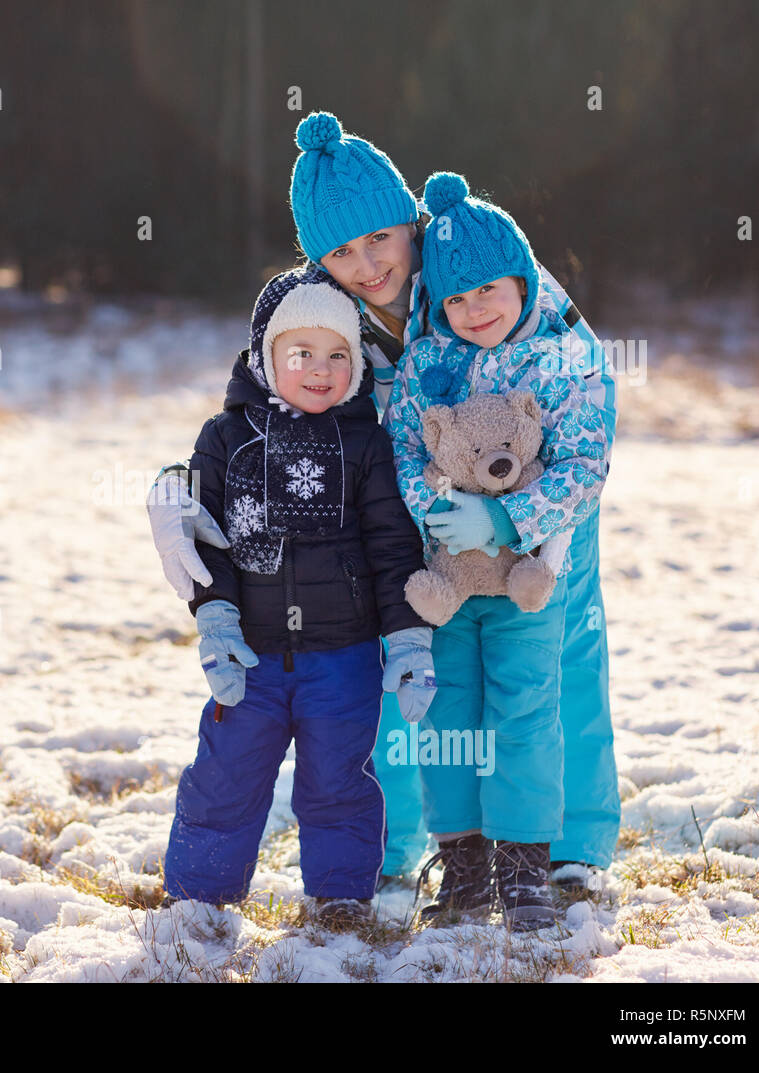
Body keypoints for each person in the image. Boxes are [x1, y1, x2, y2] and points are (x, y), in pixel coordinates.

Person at [148, 111, 619, 889]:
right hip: (409, 504)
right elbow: (256, 404)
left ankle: (571, 848)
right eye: (340, 250)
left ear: (409, 221)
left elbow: (580, 372)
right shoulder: (323, 311)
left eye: (380, 239)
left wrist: (535, 520)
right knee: (408, 664)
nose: (366, 265)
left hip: (540, 494)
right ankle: (406, 848)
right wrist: (177, 485)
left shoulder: (478, 256)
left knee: (554, 656)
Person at [161, 266, 436, 926]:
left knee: (339, 780)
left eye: (338, 354)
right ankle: (200, 896)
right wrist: (217, 620)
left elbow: (392, 545)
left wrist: (407, 637)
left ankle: (340, 898)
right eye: (301, 353)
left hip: (342, 657)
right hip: (249, 656)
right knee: (225, 773)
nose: (321, 369)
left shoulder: (366, 444)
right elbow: (206, 539)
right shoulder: (225, 439)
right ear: (266, 356)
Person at [384, 170, 609, 930]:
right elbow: (404, 456)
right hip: (447, 582)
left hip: (522, 582)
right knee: (449, 716)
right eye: (454, 298)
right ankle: (464, 863)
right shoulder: (425, 363)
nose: (472, 310)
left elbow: (585, 465)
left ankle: (524, 862)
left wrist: (506, 521)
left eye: (487, 290)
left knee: (525, 712)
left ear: (522, 278)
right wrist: (442, 512)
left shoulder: (563, 359)